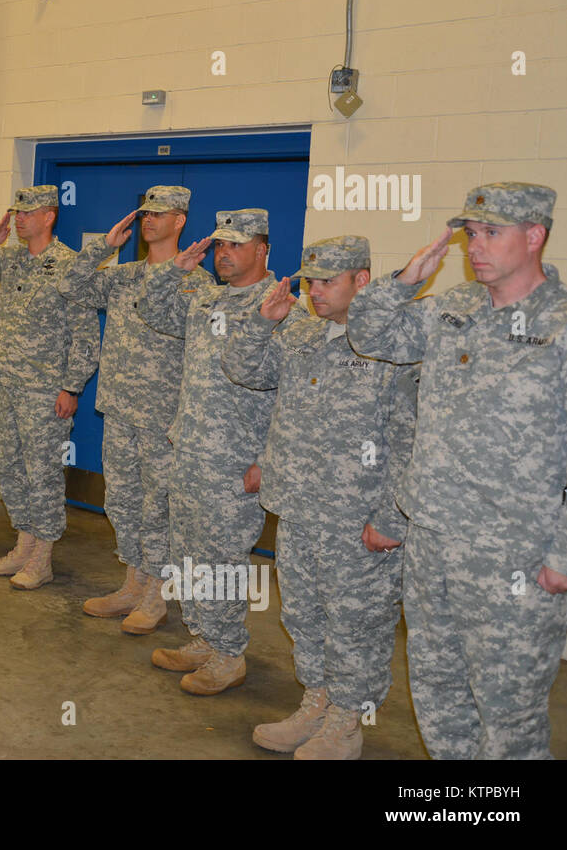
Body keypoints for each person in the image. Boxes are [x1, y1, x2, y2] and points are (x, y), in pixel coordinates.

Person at [347, 182, 567, 760]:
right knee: (439, 693)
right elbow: (368, 335)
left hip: (512, 556)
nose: (476, 246)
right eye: (471, 233)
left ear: (535, 235)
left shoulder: (562, 325)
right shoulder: (453, 311)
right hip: (432, 542)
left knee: (508, 712)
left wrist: (564, 555)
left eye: (492, 232)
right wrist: (403, 282)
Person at [222, 235, 418, 759]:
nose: (315, 292)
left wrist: (390, 516)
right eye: (309, 280)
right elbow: (243, 371)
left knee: (357, 620)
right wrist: (264, 323)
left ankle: (348, 721)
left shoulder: (393, 347)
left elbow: (409, 440)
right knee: (304, 613)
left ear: (362, 280)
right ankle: (317, 701)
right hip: (299, 507)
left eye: (328, 281)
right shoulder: (301, 334)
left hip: (357, 518)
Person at [59, 185, 212, 632]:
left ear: (180, 220)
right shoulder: (124, 276)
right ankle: (132, 582)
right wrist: (102, 249)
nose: (149, 221)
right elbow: (71, 285)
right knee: (122, 500)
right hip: (120, 408)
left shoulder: (196, 282)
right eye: (145, 213)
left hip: (162, 415)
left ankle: (156, 595)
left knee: (157, 506)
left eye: (159, 214)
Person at [137, 209, 277, 694]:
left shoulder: (280, 308)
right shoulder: (205, 299)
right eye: (220, 245)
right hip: (190, 450)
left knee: (222, 558)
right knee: (189, 552)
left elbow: (292, 395)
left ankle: (229, 654)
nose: (224, 254)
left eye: (235, 245)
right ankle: (204, 637)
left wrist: (269, 461)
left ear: (262, 249)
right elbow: (151, 311)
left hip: (235, 461)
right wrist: (174, 272)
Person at [0, 185, 100, 590]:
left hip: (47, 390)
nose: (18, 219)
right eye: (15, 212)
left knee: (43, 474)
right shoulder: (12, 259)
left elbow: (86, 336)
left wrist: (71, 388)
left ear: (49, 215)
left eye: (26, 212)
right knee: (13, 469)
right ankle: (23, 544)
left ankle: (43, 558)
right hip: (11, 383)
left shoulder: (70, 266)